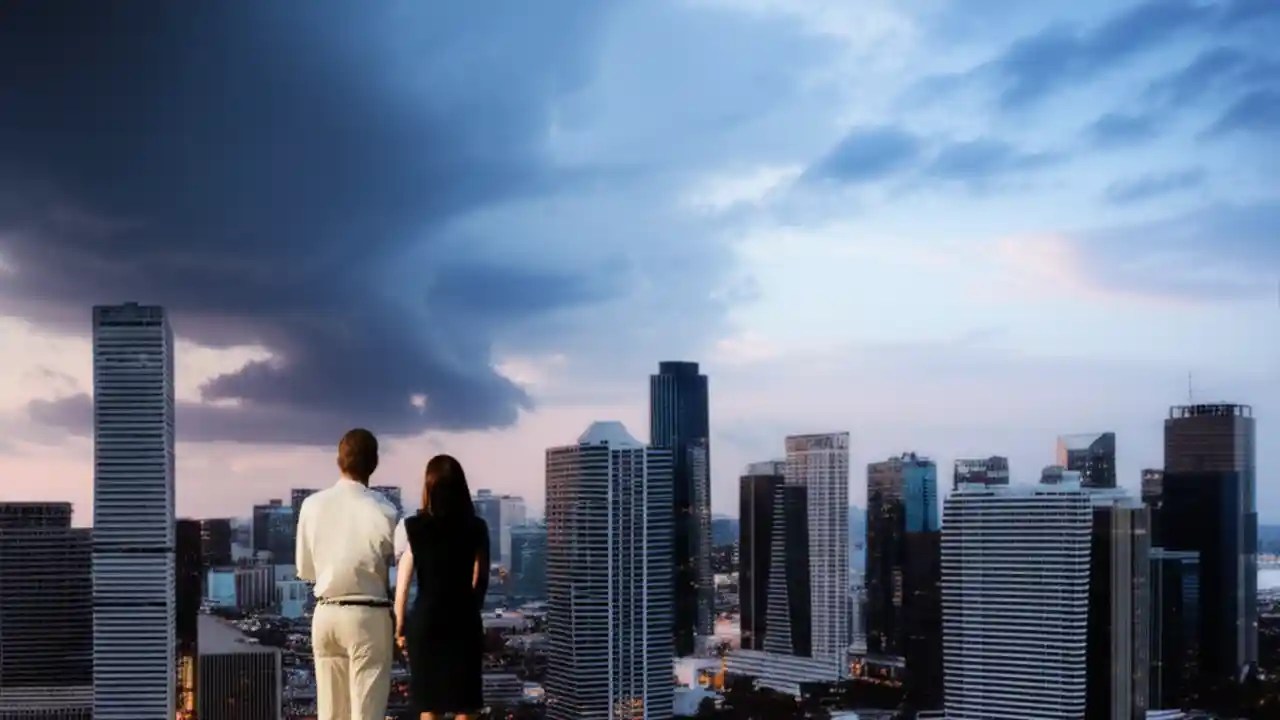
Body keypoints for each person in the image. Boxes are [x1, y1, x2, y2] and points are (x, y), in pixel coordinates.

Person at [296, 428, 399, 720]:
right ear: (374, 464)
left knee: (330, 713)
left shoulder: (311, 506)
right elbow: (396, 569)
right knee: (366, 712)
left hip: (326, 613)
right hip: (368, 615)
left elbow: (305, 569)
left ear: (338, 460)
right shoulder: (385, 510)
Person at [395, 454, 490, 720]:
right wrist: (469, 611)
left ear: (429, 487)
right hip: (464, 619)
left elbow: (403, 583)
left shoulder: (413, 527)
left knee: (430, 705)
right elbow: (481, 579)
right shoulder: (477, 527)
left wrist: (400, 625)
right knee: (466, 705)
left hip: (426, 621)